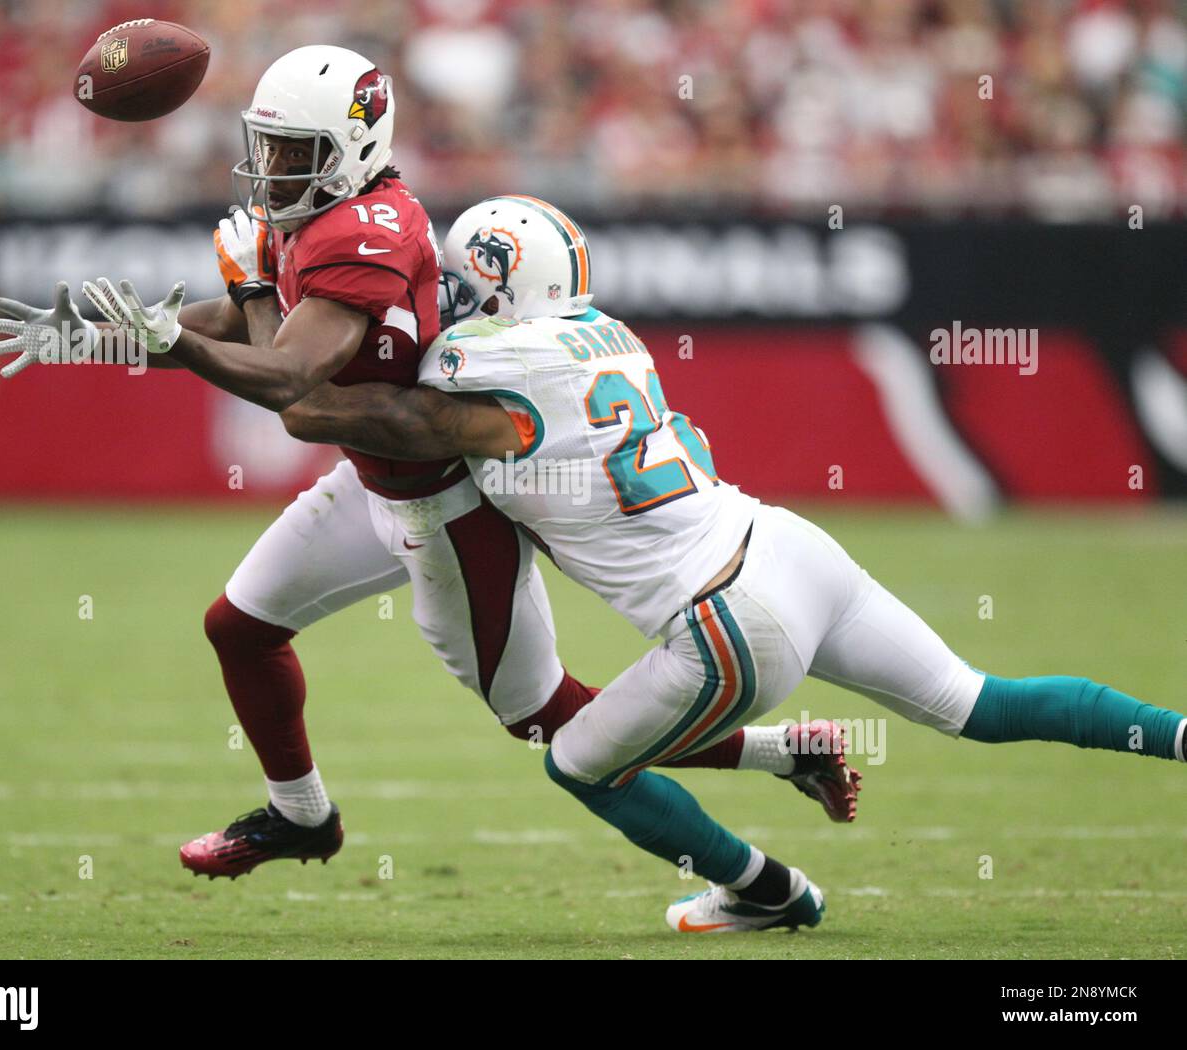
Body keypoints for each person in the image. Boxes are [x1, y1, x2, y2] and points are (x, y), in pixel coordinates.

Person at [0, 49, 840, 883]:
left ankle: (778, 775)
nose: (270, 168)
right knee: (239, 627)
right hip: (371, 480)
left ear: (351, 148)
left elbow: (287, 376)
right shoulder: (319, 213)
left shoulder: (369, 228)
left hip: (442, 508)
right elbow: (242, 322)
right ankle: (301, 815)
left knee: (543, 720)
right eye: (266, 145)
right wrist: (99, 337)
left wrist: (229, 303)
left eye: (293, 151)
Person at [275, 193, 1187, 933]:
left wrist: (266, 329)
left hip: (724, 616)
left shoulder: (484, 364)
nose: (448, 303)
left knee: (582, 765)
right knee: (978, 703)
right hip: (787, 548)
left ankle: (765, 891)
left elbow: (370, 410)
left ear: (496, 284)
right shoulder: (609, 336)